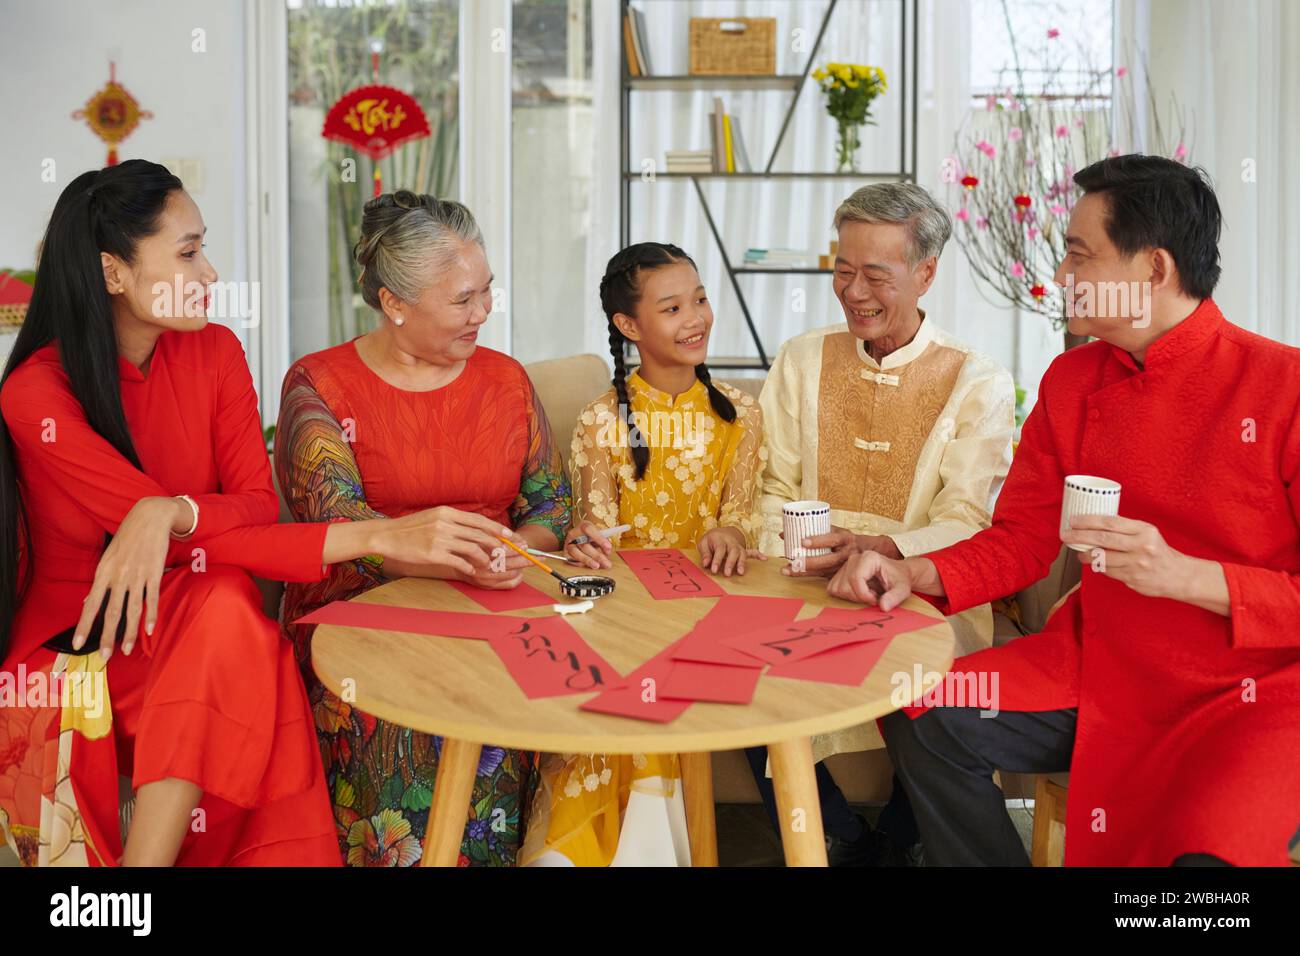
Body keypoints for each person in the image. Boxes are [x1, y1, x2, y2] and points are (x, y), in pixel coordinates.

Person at [0, 162, 509, 867]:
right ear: (112, 272)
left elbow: (255, 506)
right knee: (227, 612)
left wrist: (168, 511)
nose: (210, 274)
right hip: (86, 634)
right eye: (187, 253)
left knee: (221, 602)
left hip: (191, 618)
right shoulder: (36, 393)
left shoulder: (215, 352)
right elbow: (226, 527)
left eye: (203, 248)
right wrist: (374, 535)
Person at [832, 154, 1300, 866]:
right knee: (921, 710)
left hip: (1253, 695)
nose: (1061, 276)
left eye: (1080, 255)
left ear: (1153, 270)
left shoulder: (1281, 387)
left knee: (1203, 875)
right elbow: (1021, 539)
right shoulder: (1074, 379)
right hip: (1096, 665)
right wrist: (914, 571)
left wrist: (1186, 577)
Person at [276, 190, 572, 866]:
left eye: (487, 291)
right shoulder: (318, 385)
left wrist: (513, 551)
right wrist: (444, 561)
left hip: (495, 601)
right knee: (393, 717)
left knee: (547, 686)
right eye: (462, 300)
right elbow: (336, 522)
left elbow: (551, 504)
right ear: (394, 304)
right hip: (363, 615)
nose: (484, 312)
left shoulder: (505, 380)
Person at [747, 182, 1016, 865]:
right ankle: (831, 835)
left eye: (876, 274)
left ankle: (896, 841)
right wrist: (794, 550)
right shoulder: (802, 359)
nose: (854, 291)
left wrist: (884, 547)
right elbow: (771, 487)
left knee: (932, 683)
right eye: (843, 269)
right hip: (799, 581)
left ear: (926, 273)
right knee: (735, 669)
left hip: (916, 586)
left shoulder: (975, 381)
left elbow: (967, 520)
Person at [519, 242, 766, 866]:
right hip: (628, 616)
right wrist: (587, 544)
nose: (697, 318)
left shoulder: (742, 414)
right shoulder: (602, 422)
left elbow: (743, 513)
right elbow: (595, 534)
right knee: (634, 686)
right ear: (629, 326)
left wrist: (731, 534)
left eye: (701, 299)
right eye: (674, 307)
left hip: (716, 611)